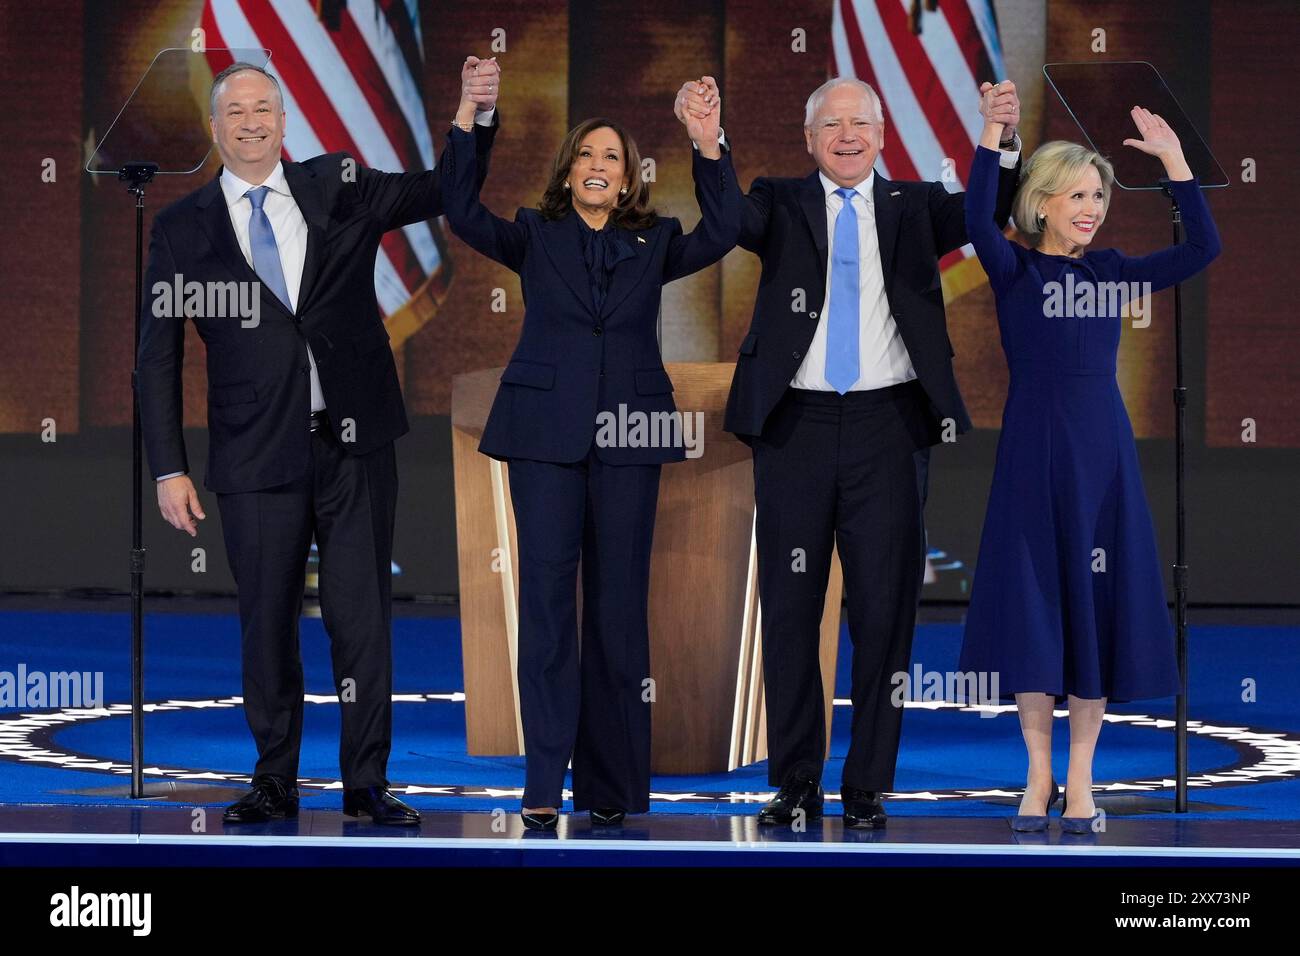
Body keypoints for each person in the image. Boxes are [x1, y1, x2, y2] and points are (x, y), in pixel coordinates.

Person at [137, 57, 502, 826]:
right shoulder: (179, 229)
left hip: (355, 442)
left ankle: (367, 782)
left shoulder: (337, 183)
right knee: (266, 623)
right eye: (235, 112)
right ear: (213, 128)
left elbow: (438, 188)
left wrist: (472, 113)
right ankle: (274, 780)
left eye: (264, 108)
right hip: (253, 452)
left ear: (284, 119)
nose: (251, 123)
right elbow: (157, 359)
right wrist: (168, 467)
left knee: (361, 619)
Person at [676, 75, 1023, 828]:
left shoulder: (917, 208)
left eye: (859, 123)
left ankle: (866, 783)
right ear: (809, 140)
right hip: (794, 427)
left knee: (884, 612)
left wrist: (997, 137)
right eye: (830, 124)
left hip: (888, 429)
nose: (846, 135)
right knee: (793, 610)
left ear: (882, 134)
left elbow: (988, 209)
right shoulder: (780, 200)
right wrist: (709, 143)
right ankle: (796, 780)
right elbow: (728, 217)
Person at [441, 65, 741, 830]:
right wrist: (475, 116)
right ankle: (544, 780)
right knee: (545, 607)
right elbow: (457, 209)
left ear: (631, 175)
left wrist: (707, 144)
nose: (600, 167)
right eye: (587, 155)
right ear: (567, 171)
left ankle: (612, 788)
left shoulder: (656, 240)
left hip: (630, 442)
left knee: (617, 613)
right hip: (544, 440)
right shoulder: (533, 234)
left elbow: (728, 228)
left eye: (613, 157)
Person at [958, 96, 1221, 832]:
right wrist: (991, 135)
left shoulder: (1108, 271)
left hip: (1102, 461)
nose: (1092, 208)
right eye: (1076, 195)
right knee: (1037, 619)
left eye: (1099, 196)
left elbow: (1202, 249)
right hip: (1032, 458)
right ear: (1041, 203)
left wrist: (1175, 165)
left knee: (1093, 615)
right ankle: (1036, 781)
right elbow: (980, 219)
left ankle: (1081, 783)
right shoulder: (1013, 269)